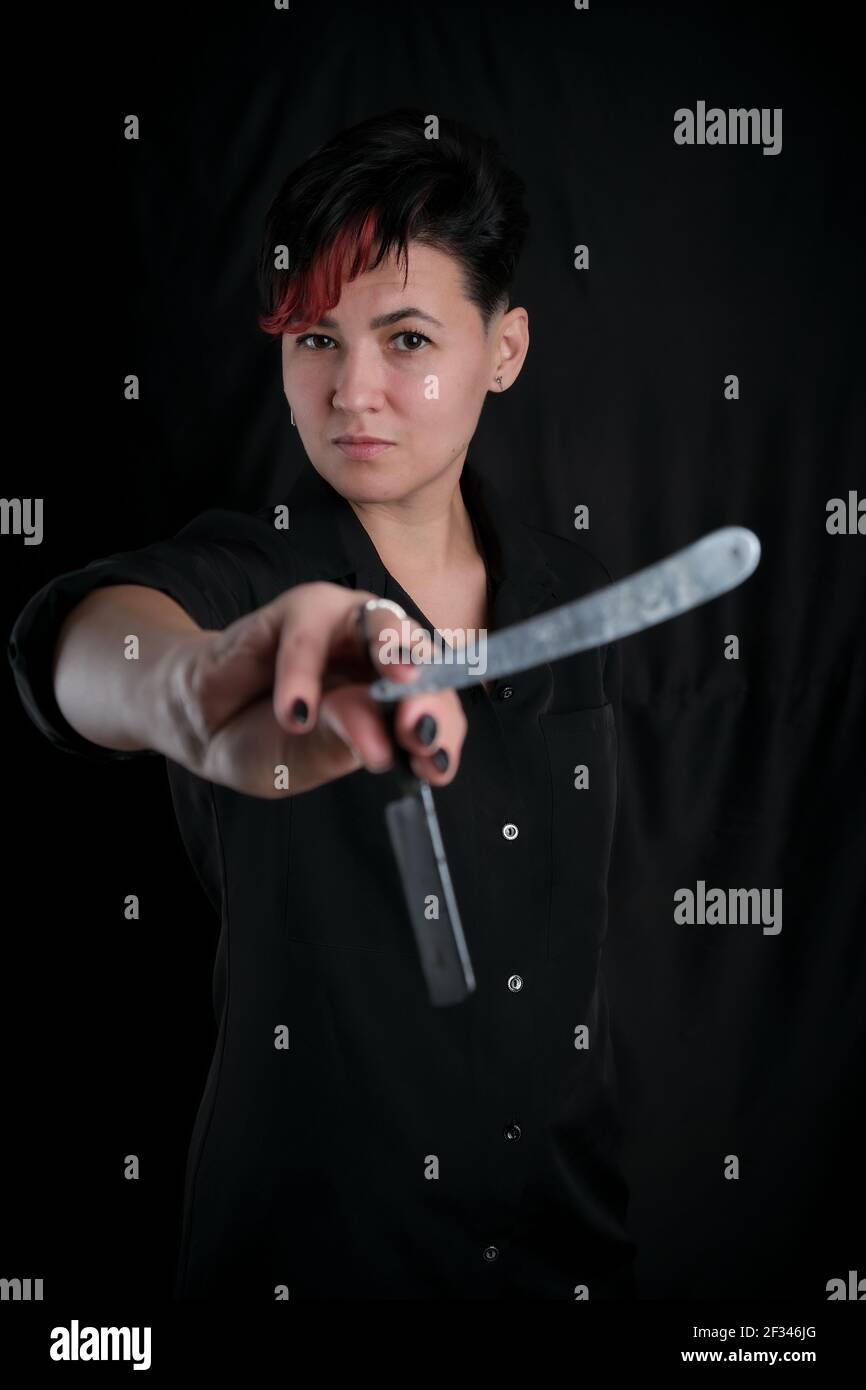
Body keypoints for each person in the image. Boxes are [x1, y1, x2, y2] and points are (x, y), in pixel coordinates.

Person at [7, 107, 636, 1300]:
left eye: (405, 338)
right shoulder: (250, 573)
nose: (352, 390)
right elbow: (86, 645)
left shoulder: (573, 594)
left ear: (503, 349)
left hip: (562, 1244)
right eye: (313, 339)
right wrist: (194, 685)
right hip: (310, 1259)